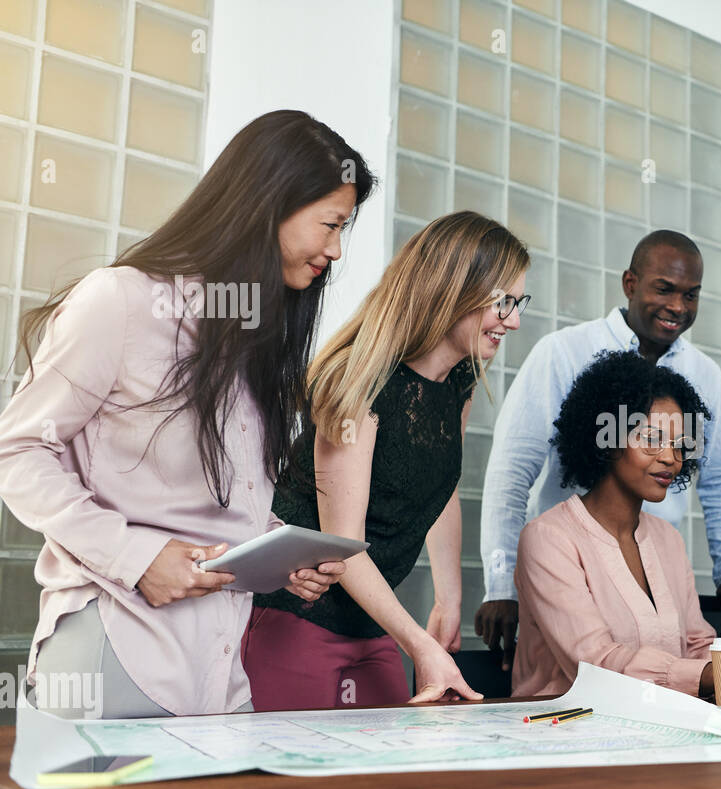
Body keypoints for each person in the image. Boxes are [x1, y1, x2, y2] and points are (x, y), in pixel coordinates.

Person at [0, 110, 369, 719]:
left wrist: (278, 553)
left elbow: (212, 506)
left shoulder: (254, 337)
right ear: (269, 203)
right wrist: (135, 558)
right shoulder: (120, 300)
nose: (334, 250)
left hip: (220, 675)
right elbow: (17, 452)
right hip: (116, 654)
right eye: (331, 225)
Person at [242, 211, 530, 709]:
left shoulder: (458, 383)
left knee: (383, 774)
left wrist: (448, 599)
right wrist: (418, 642)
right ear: (452, 290)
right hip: (294, 615)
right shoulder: (360, 383)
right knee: (297, 781)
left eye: (518, 302)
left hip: (370, 622)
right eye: (503, 302)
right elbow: (343, 549)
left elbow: (440, 488)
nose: (515, 320)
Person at [477, 230, 721, 672]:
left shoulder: (705, 375)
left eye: (691, 295)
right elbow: (512, 470)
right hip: (571, 567)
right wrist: (501, 585)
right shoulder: (564, 352)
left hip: (654, 569)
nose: (678, 306)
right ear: (630, 283)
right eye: (664, 289)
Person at [511, 351, 721, 699]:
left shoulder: (667, 539)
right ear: (606, 439)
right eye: (652, 439)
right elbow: (596, 664)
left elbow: (696, 644)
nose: (671, 457)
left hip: (653, 727)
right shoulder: (547, 539)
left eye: (680, 444)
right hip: (562, 735)